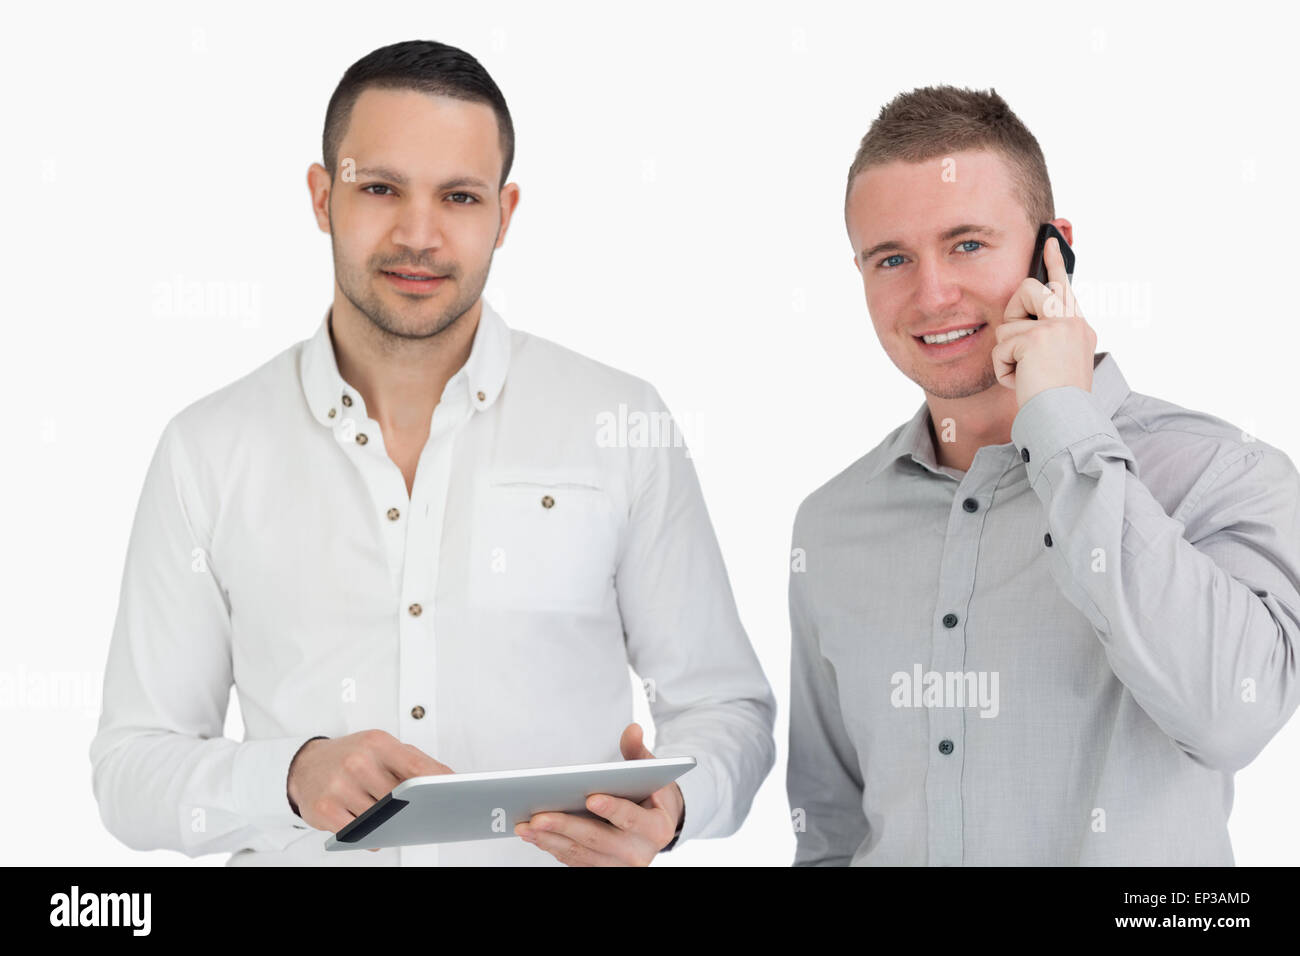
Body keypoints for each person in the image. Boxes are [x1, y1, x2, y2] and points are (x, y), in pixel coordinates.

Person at [91, 39, 774, 867]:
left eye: (458, 196)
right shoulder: (208, 448)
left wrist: (673, 807)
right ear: (321, 196)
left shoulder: (621, 421)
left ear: (504, 214)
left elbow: (726, 708)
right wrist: (288, 774)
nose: (419, 234)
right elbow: (131, 770)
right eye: (380, 188)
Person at [786, 85, 1300, 865]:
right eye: (892, 258)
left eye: (967, 244)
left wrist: (1060, 419)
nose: (931, 295)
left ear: (1052, 250)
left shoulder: (1221, 474)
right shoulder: (830, 524)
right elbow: (829, 827)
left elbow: (1231, 716)